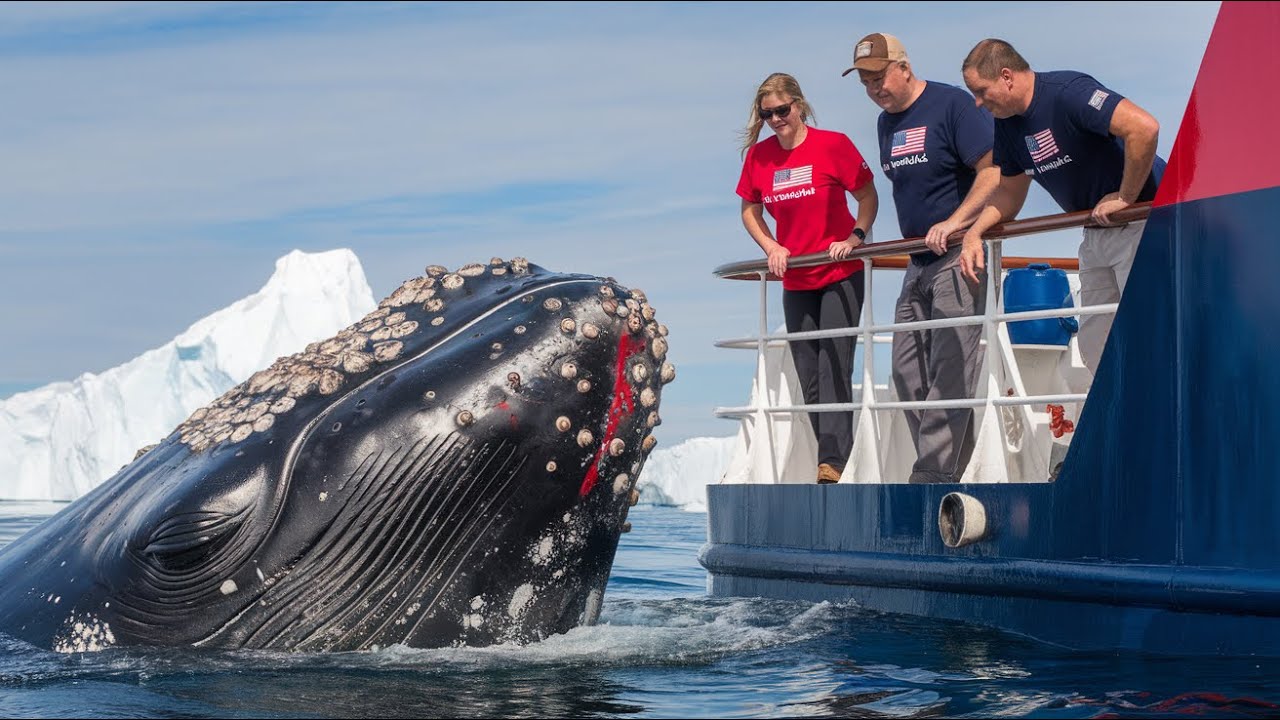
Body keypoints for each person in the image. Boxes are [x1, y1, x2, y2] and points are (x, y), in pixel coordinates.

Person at [845, 33, 1000, 484]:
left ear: (904, 68)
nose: (874, 88)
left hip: (958, 254)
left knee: (952, 365)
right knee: (907, 371)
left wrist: (956, 222)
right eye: (865, 83)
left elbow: (993, 171)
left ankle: (932, 475)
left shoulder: (952, 106)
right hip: (917, 260)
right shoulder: (884, 124)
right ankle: (953, 467)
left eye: (879, 77)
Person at [958, 38, 1163, 375]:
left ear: (1006, 76)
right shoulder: (1007, 123)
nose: (978, 103)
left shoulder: (1068, 91)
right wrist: (974, 233)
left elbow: (1143, 127)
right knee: (1096, 344)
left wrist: (1126, 197)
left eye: (981, 91)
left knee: (1151, 328)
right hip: (1097, 233)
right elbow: (1009, 192)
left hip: (1145, 221)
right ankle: (1120, 418)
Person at [735, 72, 879, 484]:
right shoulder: (760, 158)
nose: (777, 119)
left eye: (783, 110)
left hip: (839, 272)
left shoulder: (832, 145)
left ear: (799, 105)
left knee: (835, 365)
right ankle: (835, 458)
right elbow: (750, 209)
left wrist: (856, 236)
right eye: (768, 114)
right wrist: (771, 247)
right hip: (796, 279)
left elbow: (867, 195)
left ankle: (831, 464)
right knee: (809, 376)